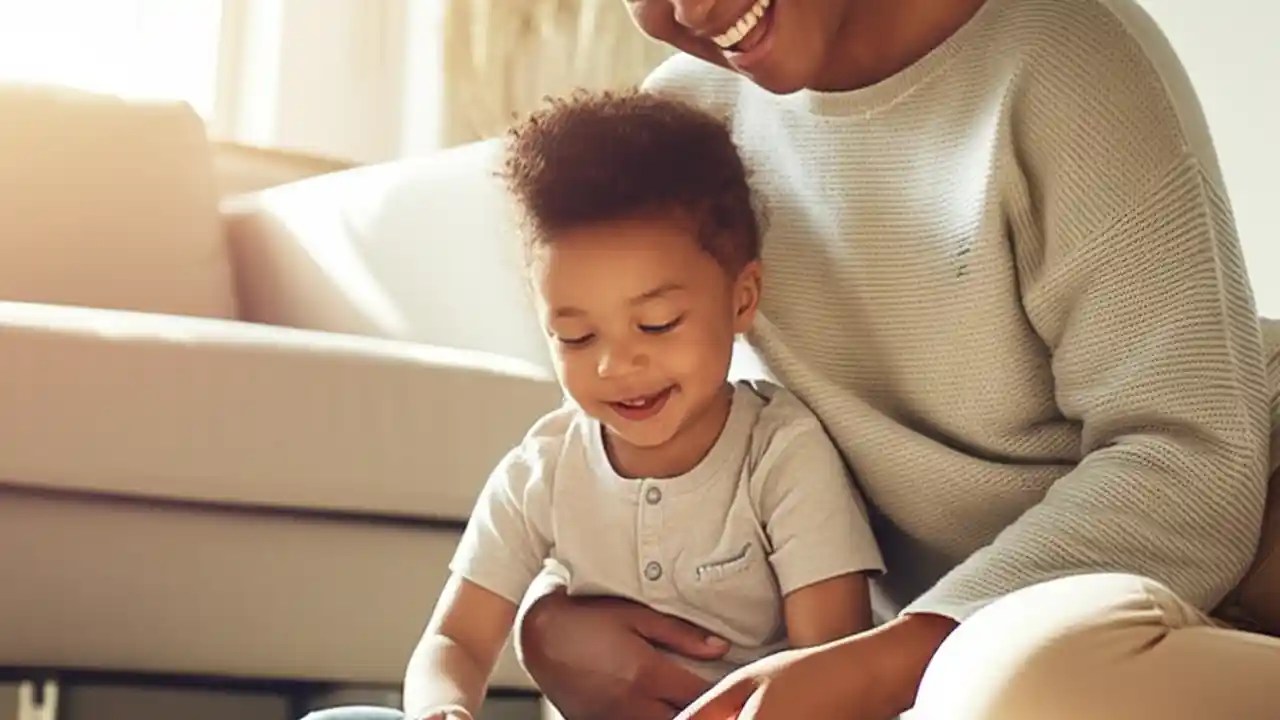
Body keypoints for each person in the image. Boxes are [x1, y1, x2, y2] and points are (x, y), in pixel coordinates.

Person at [307, 0, 1280, 718]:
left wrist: (878, 666)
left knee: (1010, 687)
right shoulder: (691, 130)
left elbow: (1187, 463)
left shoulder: (1064, 57)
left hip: (1228, 580)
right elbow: (691, 461)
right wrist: (551, 623)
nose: (685, 11)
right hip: (940, 646)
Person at [401, 91, 883, 720]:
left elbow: (831, 673)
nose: (613, 366)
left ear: (742, 300)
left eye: (656, 324)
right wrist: (444, 709)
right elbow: (453, 640)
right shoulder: (542, 472)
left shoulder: (782, 456)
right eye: (575, 336)